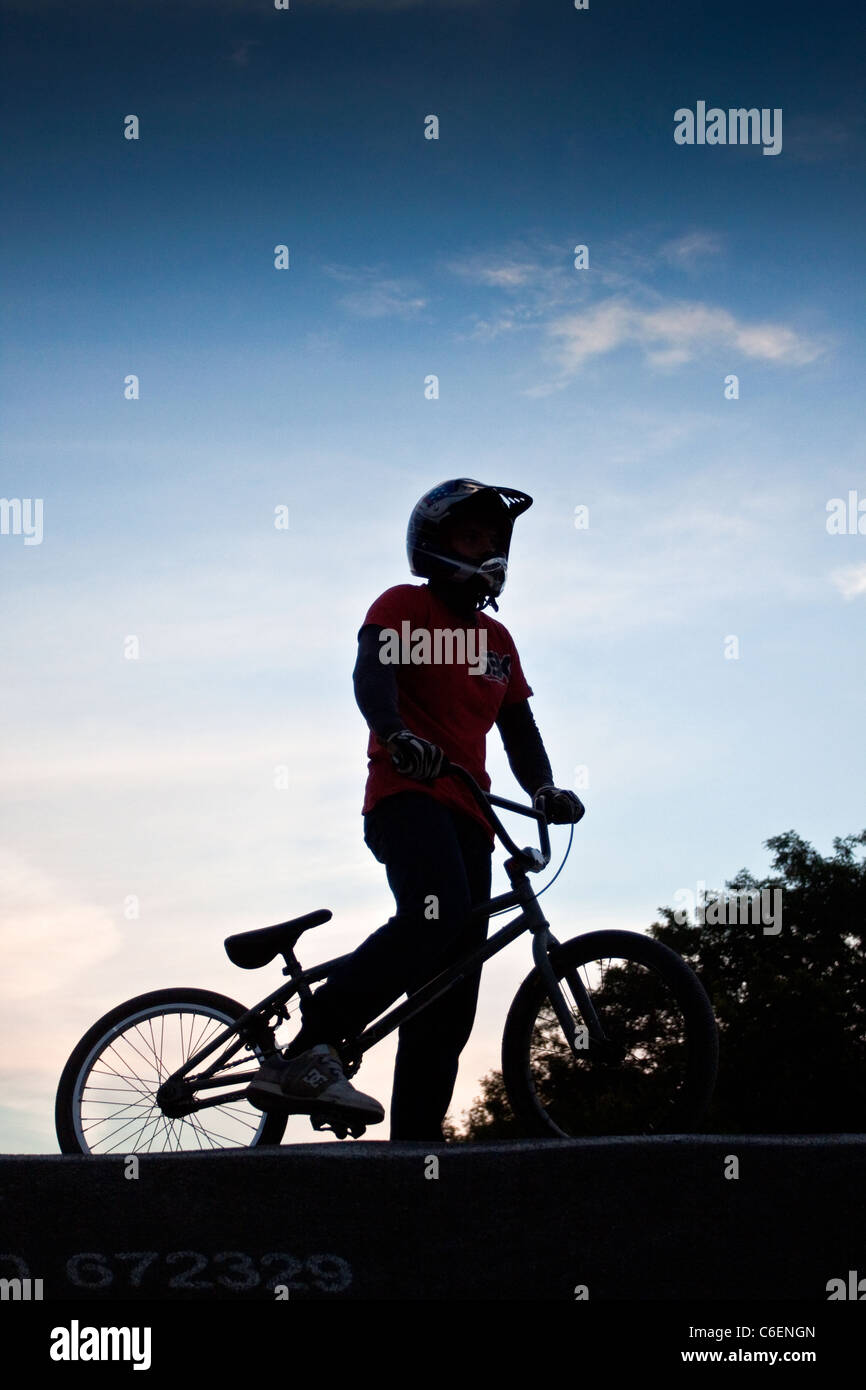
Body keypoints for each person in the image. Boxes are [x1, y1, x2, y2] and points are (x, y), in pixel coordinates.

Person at [246, 478, 584, 1140]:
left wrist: (543, 788)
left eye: (494, 539)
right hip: (406, 797)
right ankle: (310, 1050)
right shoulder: (404, 605)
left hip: (472, 818)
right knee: (438, 914)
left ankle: (416, 1159)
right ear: (434, 545)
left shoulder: (497, 641)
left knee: (451, 995)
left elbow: (520, 730)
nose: (488, 549)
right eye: (470, 537)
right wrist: (397, 735)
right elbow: (371, 675)